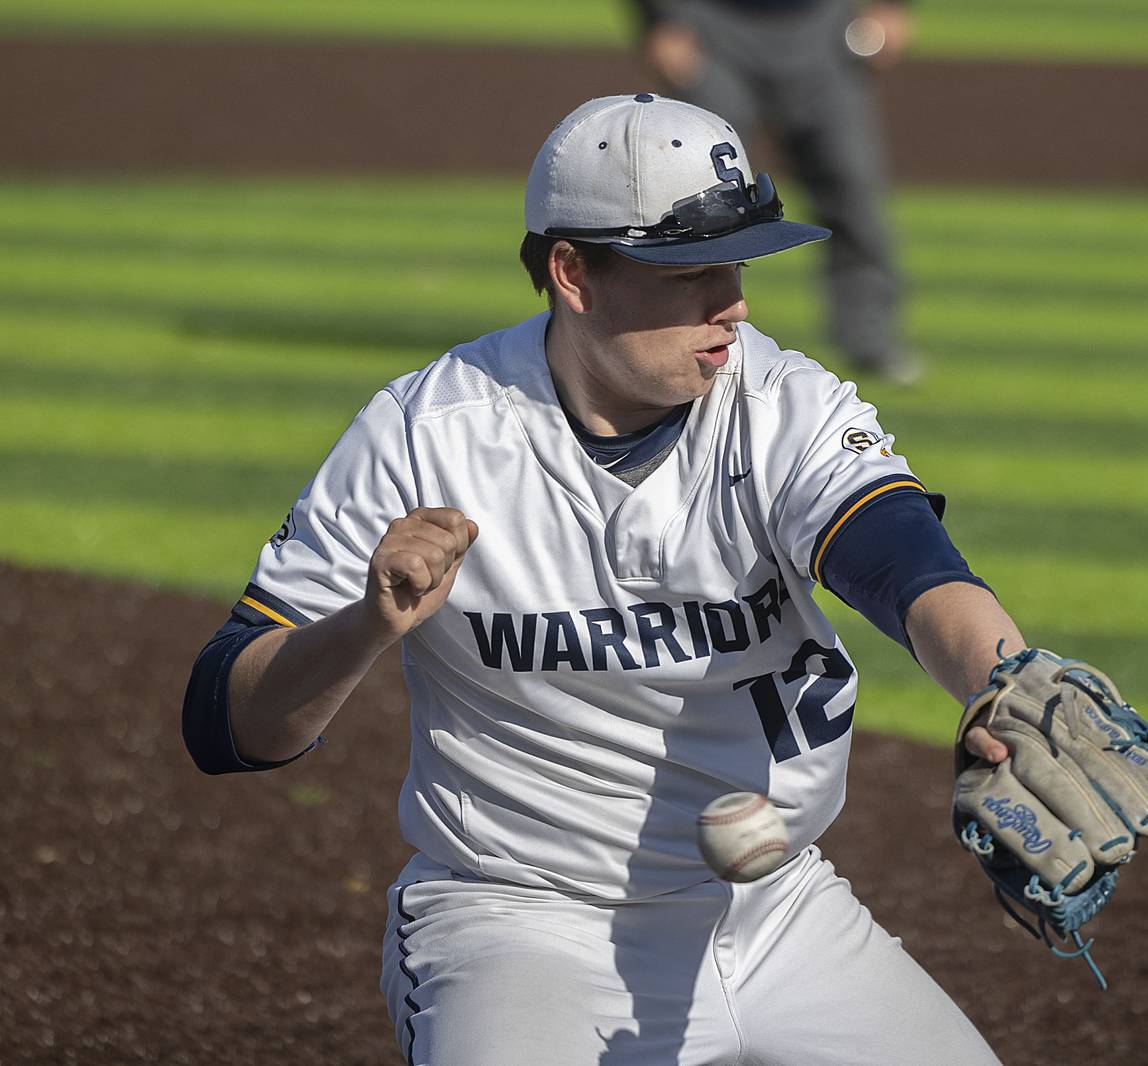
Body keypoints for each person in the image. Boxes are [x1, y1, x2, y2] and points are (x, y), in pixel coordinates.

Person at [181, 93, 1019, 1064]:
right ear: (573, 273)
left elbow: (907, 560)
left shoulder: (782, 404)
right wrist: (366, 624)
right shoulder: (425, 436)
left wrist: (1003, 679)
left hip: (779, 910)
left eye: (738, 266)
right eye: (691, 272)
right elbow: (227, 724)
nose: (733, 305)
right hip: (517, 923)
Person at [634, 0, 918, 383]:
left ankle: (871, 339)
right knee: (704, 199)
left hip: (824, 25)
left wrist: (893, 5)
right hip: (712, 25)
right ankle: (692, 337)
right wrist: (660, 18)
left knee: (851, 187)